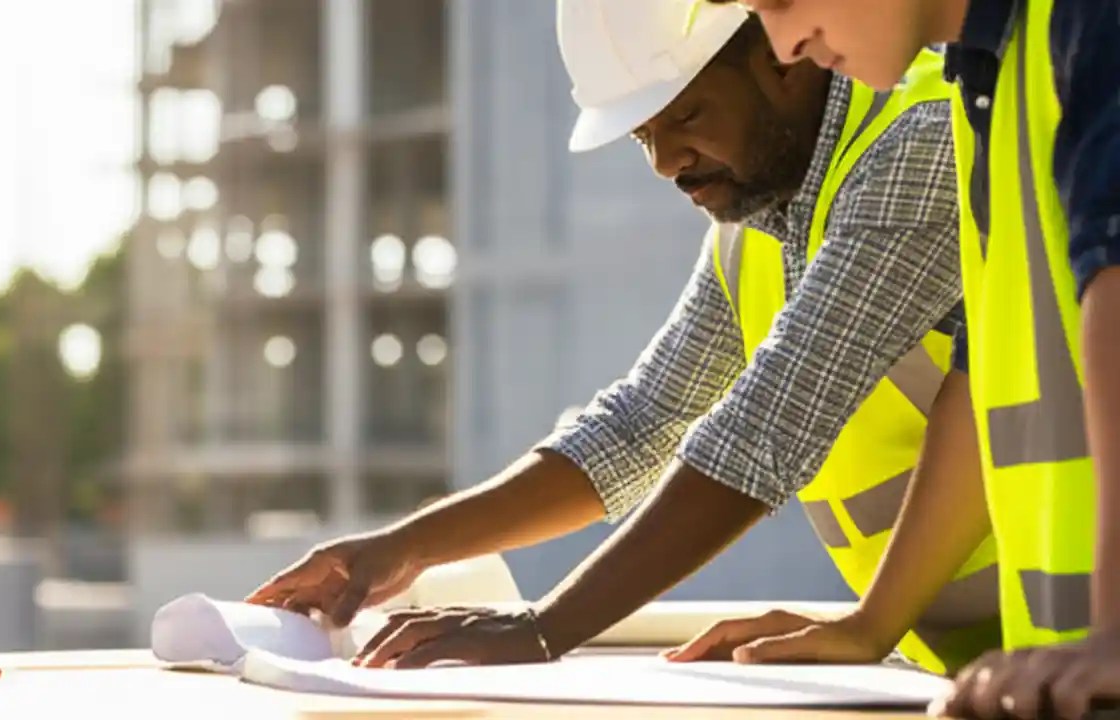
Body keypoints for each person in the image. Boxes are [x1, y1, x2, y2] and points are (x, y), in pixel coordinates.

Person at [247, 0, 992, 676]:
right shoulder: (759, 228)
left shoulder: (919, 143)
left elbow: (766, 427)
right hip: (972, 667)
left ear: (777, 53)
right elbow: (641, 426)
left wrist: (545, 629)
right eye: (643, 133)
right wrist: (402, 548)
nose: (666, 163)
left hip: (1075, 652)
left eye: (687, 115)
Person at [694, 1, 1120, 718]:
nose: (787, 44)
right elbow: (985, 376)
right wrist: (871, 624)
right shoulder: (990, 79)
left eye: (782, 2)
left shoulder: (1089, 22)